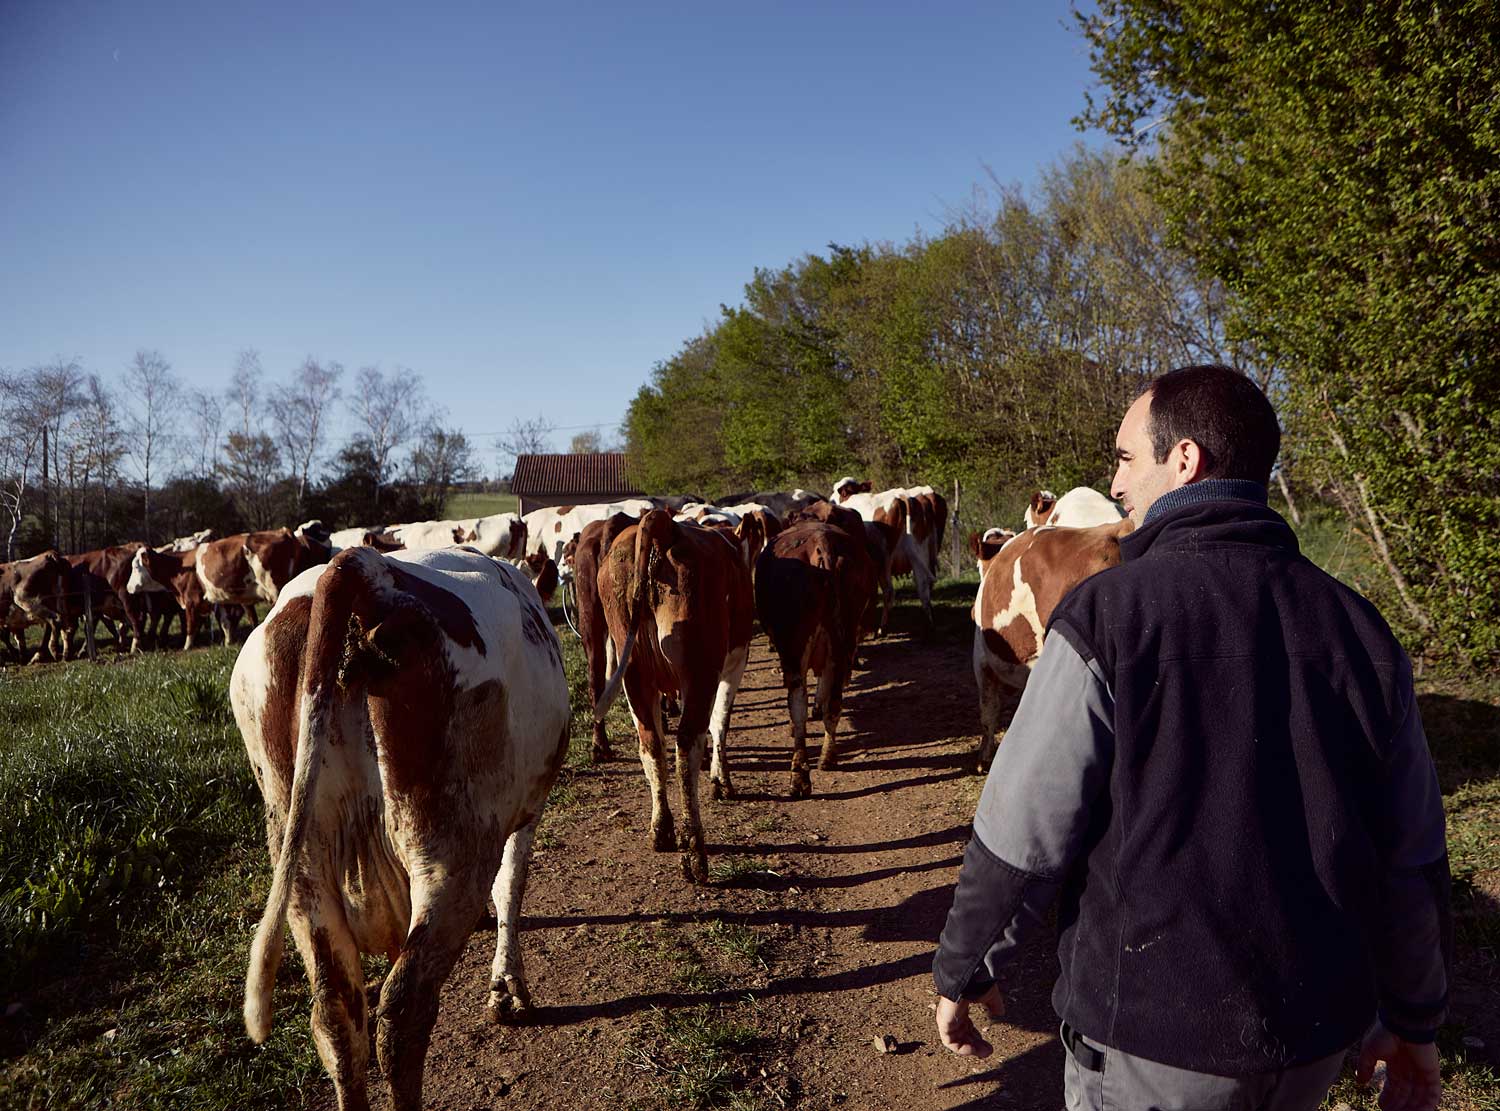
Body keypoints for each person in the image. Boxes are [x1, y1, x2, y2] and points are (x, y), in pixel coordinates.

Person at [931, 365, 1450, 1111]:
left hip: (1153, 1045)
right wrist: (1414, 1018)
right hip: (1312, 1044)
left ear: (1185, 460)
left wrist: (964, 967)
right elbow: (1414, 857)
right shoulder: (1360, 627)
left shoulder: (1107, 616)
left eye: (1125, 458)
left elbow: (1023, 830)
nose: (1116, 483)